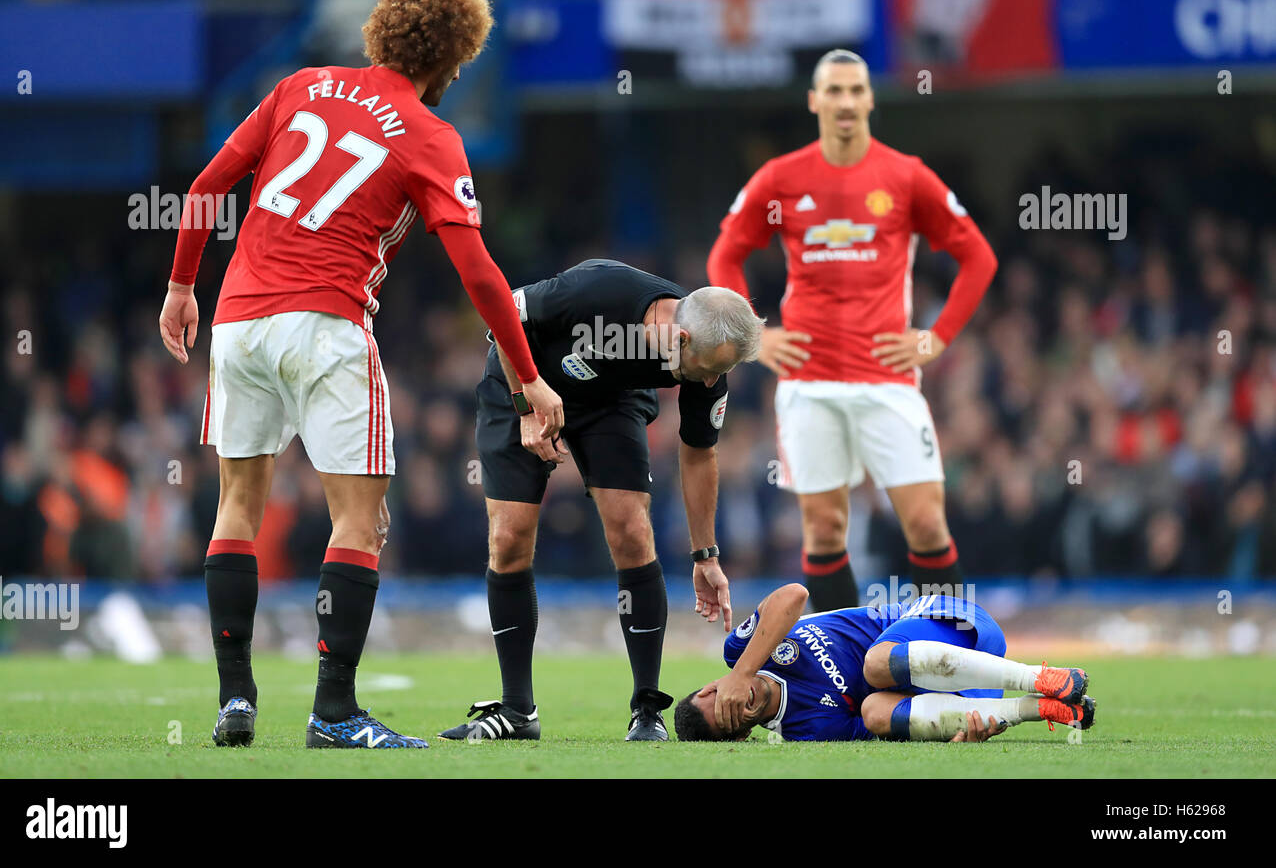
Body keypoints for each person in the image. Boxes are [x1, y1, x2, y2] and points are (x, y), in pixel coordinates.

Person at [158, 0, 563, 749]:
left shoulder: (299, 85)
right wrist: (529, 375)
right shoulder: (431, 136)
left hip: (239, 322)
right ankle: (334, 712)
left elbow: (207, 187)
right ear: (449, 55)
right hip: (327, 325)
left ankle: (235, 698)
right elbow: (477, 270)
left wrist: (181, 285)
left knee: (235, 506)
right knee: (361, 520)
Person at [707, 49, 998, 610]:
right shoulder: (782, 178)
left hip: (887, 379)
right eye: (833, 91)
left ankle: (953, 661)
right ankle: (842, 669)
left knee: (926, 522)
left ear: (870, 98)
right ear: (815, 100)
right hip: (808, 382)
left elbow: (978, 257)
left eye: (855, 90)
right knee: (823, 529)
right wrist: (753, 336)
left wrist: (936, 337)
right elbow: (726, 256)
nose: (844, 101)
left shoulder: (906, 175)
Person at [438, 259, 764, 742]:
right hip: (523, 380)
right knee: (508, 538)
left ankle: (647, 709)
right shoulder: (599, 290)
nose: (713, 381)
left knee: (632, 529)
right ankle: (516, 710)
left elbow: (699, 454)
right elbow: (504, 312)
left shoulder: (709, 364)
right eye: (711, 370)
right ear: (680, 340)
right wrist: (527, 400)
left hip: (611, 401)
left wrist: (705, 555)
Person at [673, 582, 1094, 742]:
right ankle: (1039, 707)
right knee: (874, 711)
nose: (738, 704)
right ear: (743, 733)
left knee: (874, 665)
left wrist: (744, 670)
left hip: (953, 625)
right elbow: (888, 727)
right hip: (965, 687)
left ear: (713, 686)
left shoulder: (740, 652)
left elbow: (794, 596)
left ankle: (1039, 676)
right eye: (733, 720)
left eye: (722, 699)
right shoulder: (806, 732)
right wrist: (952, 731)